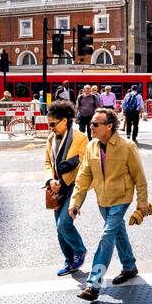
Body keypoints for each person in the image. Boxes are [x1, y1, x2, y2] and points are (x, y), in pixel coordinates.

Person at [70, 108, 150, 301]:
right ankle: (129, 266)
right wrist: (75, 202)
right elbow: (84, 176)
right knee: (118, 232)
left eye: (96, 124)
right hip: (102, 199)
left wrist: (142, 203)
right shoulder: (92, 146)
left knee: (107, 237)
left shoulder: (127, 146)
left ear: (109, 126)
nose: (92, 127)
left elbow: (139, 177)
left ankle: (93, 284)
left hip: (121, 198)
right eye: (91, 124)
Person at [44, 99, 88, 276]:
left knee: (64, 225)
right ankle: (69, 261)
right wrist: (50, 180)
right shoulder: (51, 138)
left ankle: (80, 251)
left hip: (75, 187)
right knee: (59, 228)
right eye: (49, 124)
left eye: (53, 124)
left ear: (64, 121)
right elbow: (47, 163)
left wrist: (68, 172)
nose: (51, 128)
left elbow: (85, 167)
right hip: (57, 189)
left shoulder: (81, 138)